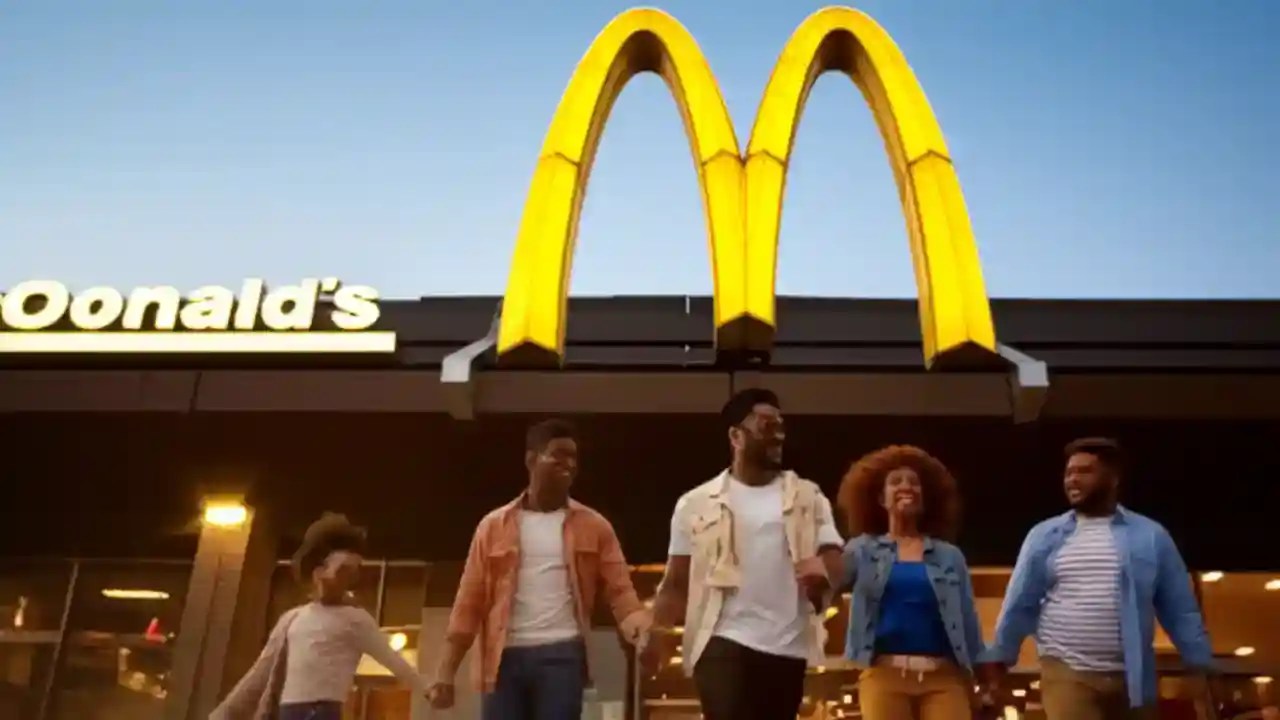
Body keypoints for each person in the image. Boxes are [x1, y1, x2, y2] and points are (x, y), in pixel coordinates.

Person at [640, 388, 844, 720]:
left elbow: (834, 554)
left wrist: (824, 573)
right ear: (736, 435)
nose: (777, 433)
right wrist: (655, 633)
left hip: (787, 645)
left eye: (781, 425)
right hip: (722, 640)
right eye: (765, 424)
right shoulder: (695, 503)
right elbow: (676, 582)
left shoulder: (809, 497)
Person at [427, 418, 649, 720]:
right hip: (502, 659)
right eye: (558, 454)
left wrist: (639, 626)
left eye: (574, 457)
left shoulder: (595, 526)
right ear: (532, 460)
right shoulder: (493, 527)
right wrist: (445, 672)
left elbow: (621, 591)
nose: (569, 464)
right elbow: (469, 602)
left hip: (561, 655)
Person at [992, 437, 1215, 719]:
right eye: (1068, 472)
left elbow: (1179, 606)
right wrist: (1000, 656)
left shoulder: (1150, 536)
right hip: (1067, 672)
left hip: (1133, 677)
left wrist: (1199, 659)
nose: (1072, 480)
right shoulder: (1044, 536)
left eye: (1084, 471)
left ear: (1113, 478)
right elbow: (1020, 601)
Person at [212, 513, 425, 720]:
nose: (344, 578)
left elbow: (392, 659)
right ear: (316, 570)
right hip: (288, 711)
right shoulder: (291, 620)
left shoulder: (355, 620)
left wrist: (428, 689)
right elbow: (260, 673)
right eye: (340, 570)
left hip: (323, 710)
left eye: (350, 572)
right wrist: (224, 714)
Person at [838, 445, 993, 720]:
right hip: (884, 677)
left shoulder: (949, 556)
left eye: (914, 483)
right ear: (880, 498)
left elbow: (969, 620)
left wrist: (986, 680)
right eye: (896, 482)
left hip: (945, 679)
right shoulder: (862, 550)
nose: (906, 487)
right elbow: (832, 580)